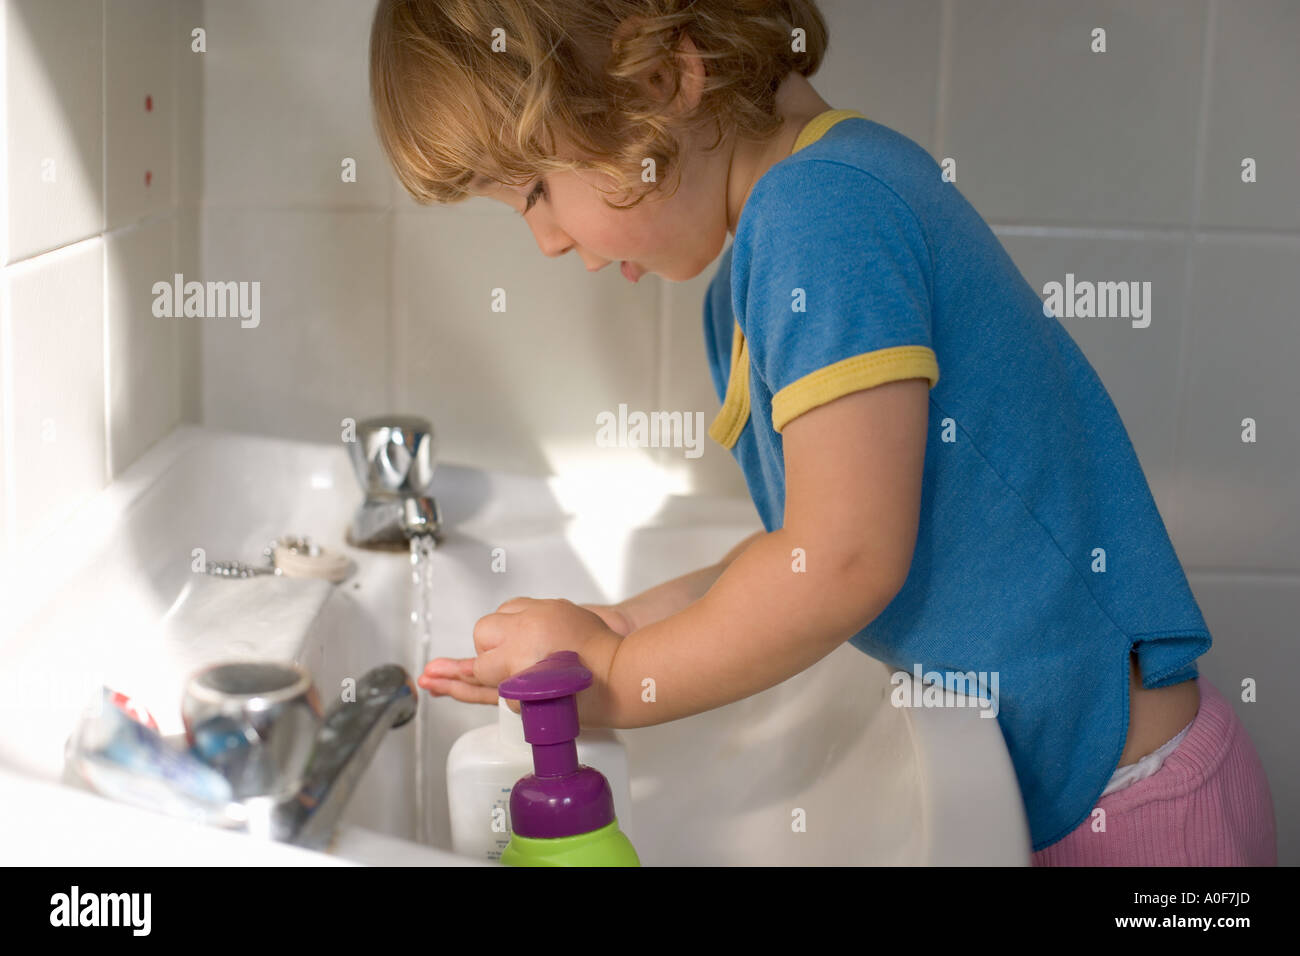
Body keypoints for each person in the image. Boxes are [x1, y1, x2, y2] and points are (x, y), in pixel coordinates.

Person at [369, 0, 1276, 865]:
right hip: (1084, 789)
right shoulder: (779, 241)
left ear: (659, 76)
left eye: (534, 190)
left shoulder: (821, 216)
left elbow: (844, 562)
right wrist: (621, 624)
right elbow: (802, 550)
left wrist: (622, 673)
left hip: (1135, 812)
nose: (546, 242)